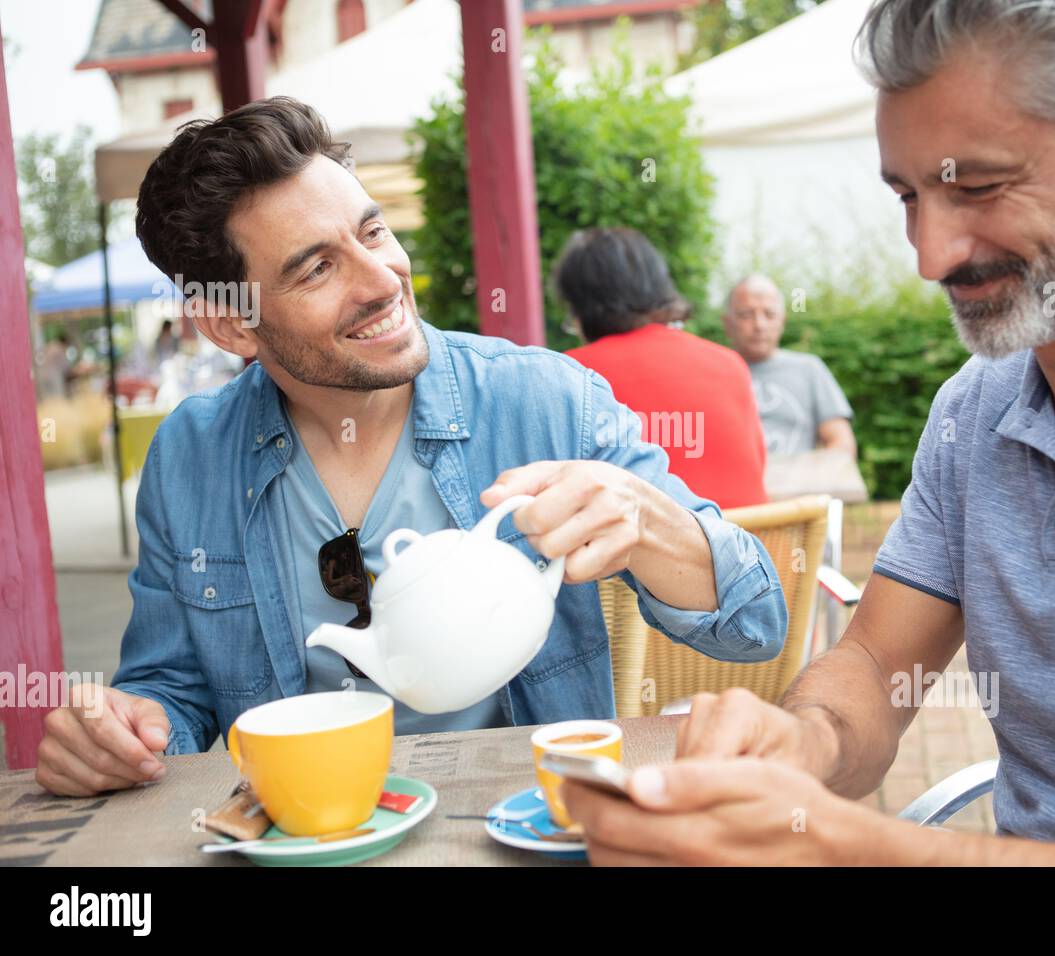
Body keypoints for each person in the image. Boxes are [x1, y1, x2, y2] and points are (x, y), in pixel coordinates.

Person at [562, 0, 1055, 865]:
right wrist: (802, 747)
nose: (931, 255)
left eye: (978, 187)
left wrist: (867, 849)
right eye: (908, 195)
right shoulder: (975, 409)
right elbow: (874, 662)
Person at [33, 97, 787, 797]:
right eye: (317, 267)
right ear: (230, 325)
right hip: (302, 838)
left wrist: (650, 525)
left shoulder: (546, 400)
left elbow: (759, 622)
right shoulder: (189, 457)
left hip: (517, 828)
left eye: (373, 232)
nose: (383, 280)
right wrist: (124, 729)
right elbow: (171, 690)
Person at [559, 227, 767, 509]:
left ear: (581, 309)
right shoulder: (730, 363)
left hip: (643, 550)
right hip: (750, 547)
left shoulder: (569, 374)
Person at [724, 274, 856, 457]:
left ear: (782, 321)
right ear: (727, 323)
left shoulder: (810, 370)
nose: (759, 325)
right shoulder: (712, 374)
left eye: (769, 314)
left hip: (800, 483)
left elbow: (842, 443)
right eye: (746, 315)